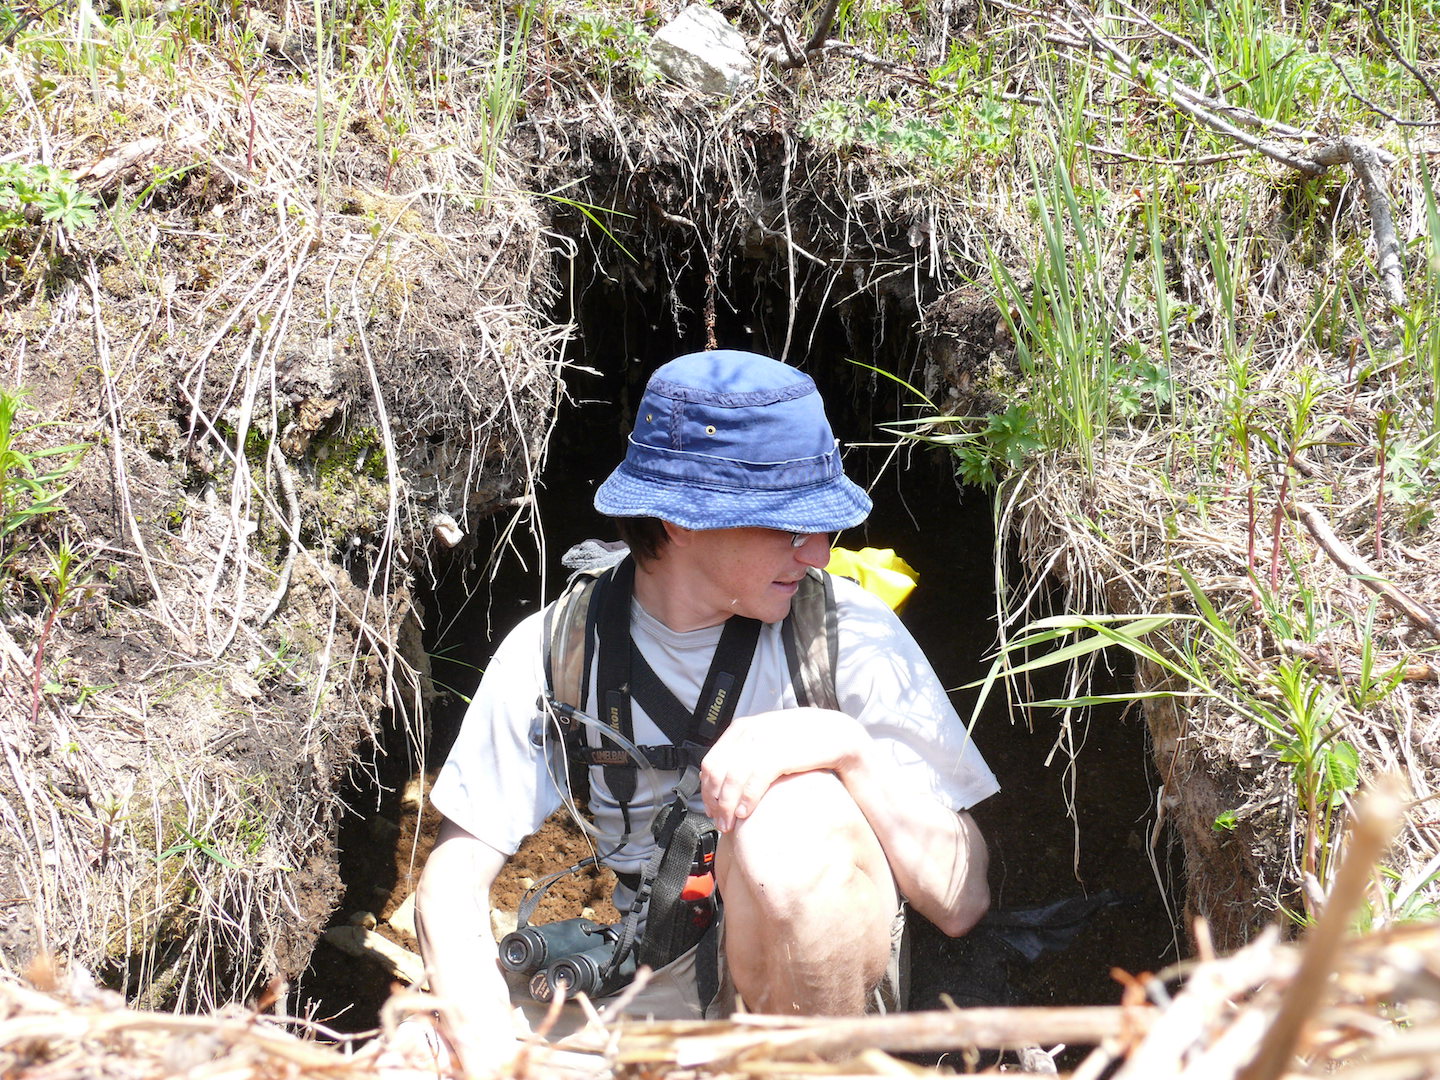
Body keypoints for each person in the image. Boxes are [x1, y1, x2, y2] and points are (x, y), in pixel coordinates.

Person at [413, 350, 998, 1073]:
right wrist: (480, 1039)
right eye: (787, 526)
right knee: (414, 1052)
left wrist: (845, 749)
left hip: (819, 998)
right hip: (652, 983)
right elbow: (452, 877)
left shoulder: (848, 634)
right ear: (683, 521)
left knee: (789, 819)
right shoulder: (556, 650)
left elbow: (960, 899)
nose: (817, 553)